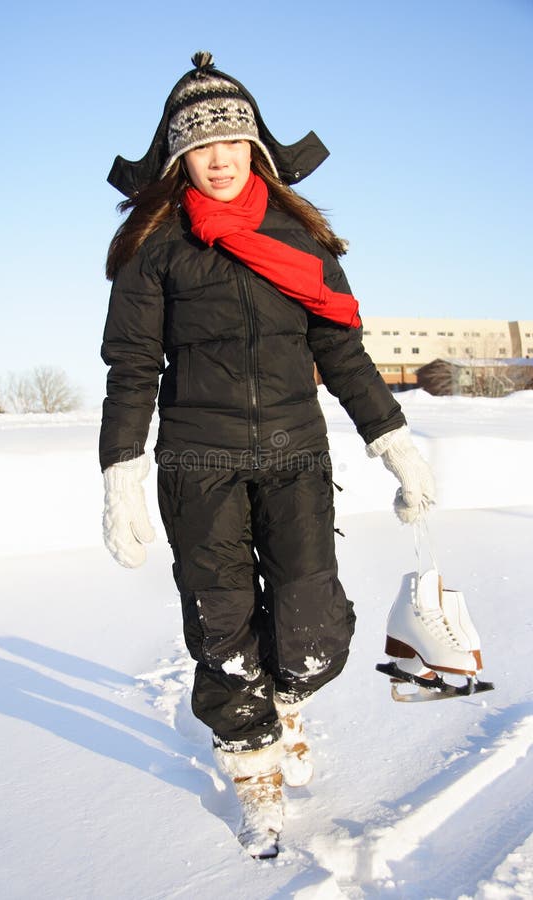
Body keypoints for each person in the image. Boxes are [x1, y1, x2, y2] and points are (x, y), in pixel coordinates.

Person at [99, 51, 435, 858]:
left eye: (231, 142)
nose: (218, 158)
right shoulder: (157, 245)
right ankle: (253, 770)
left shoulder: (301, 238)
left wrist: (394, 439)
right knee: (221, 625)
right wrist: (121, 474)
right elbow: (133, 366)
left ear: (254, 148)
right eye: (200, 146)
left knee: (313, 624)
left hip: (295, 455)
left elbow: (342, 351)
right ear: (180, 156)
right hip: (197, 462)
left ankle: (286, 704)